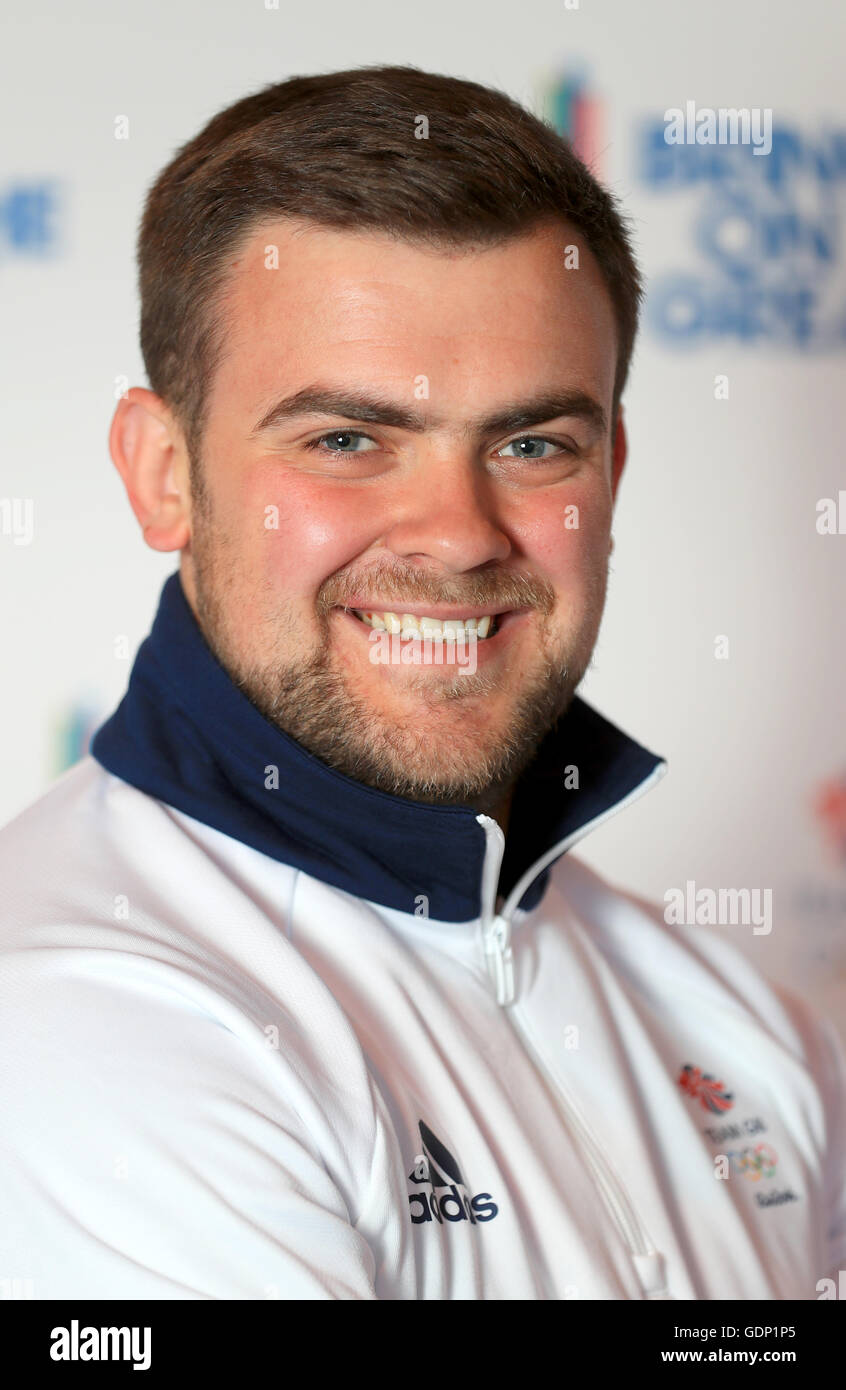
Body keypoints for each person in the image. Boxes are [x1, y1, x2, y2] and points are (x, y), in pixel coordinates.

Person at [0, 64, 843, 1301]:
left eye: (530, 444)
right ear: (162, 472)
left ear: (612, 471)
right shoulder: (74, 1022)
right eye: (348, 440)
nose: (456, 534)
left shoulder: (727, 1013)